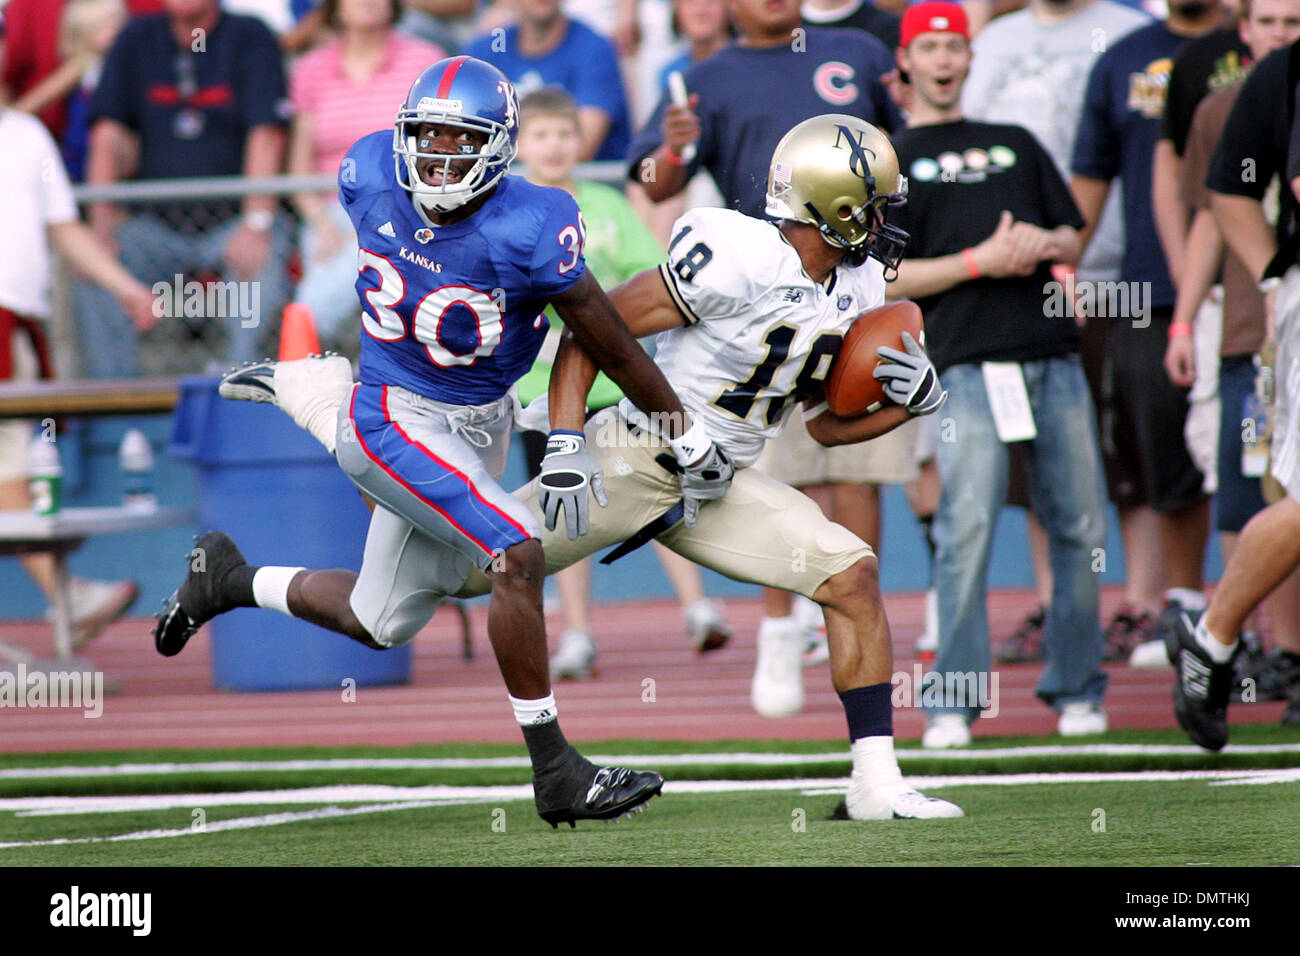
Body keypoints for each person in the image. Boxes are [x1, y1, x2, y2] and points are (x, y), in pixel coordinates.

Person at [224, 112, 966, 820]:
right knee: (441, 584)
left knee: (852, 575)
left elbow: (824, 429)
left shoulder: (861, 286)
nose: (884, 224)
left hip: (718, 483)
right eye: (872, 206)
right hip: (636, 454)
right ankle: (325, 408)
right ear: (830, 205)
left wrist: (909, 403)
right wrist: (570, 443)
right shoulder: (740, 255)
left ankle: (877, 782)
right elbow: (592, 334)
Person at [152, 56, 735, 827]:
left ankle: (227, 580)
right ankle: (557, 772)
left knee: (380, 621)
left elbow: (610, 341)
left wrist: (682, 431)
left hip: (481, 418)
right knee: (516, 552)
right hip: (393, 412)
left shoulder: (536, 223)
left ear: (498, 148)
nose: (436, 155)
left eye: (459, 140)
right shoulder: (366, 175)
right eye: (425, 136)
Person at [886, 2, 1109, 747]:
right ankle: (951, 700)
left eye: (957, 46)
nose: (946, 59)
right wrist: (980, 261)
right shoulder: (892, 158)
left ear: (971, 59)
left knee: (1079, 523)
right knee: (966, 528)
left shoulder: (1015, 142)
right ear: (908, 63)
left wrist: (1042, 243)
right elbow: (882, 278)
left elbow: (1073, 228)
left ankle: (1078, 687)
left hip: (1052, 355)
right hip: (967, 367)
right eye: (932, 47)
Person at [512, 87, 732, 679]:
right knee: (565, 511)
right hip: (546, 391)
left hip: (617, 382)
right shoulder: (513, 210)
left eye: (564, 134)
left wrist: (603, 315)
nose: (555, 146)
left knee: (655, 492)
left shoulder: (607, 205)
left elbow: (649, 270)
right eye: (541, 136)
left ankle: (697, 608)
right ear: (519, 145)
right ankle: (577, 632)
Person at [961, 0, 1151, 663]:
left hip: (1114, 276)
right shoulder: (994, 41)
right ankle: (1053, 607)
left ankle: (1143, 605)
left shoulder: (1129, 34)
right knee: (1038, 465)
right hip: (1011, 282)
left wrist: (1073, 251)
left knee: (1130, 453)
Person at [1070, 0, 1226, 654]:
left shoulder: (1254, 46)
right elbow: (1090, 178)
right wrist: (1062, 266)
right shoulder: (1123, 57)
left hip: (1255, 289)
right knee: (1167, 459)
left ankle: (1278, 640)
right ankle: (1188, 609)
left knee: (1262, 470)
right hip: (1151, 293)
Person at [1162, 0, 1300, 726]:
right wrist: (1189, 316)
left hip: (1277, 310)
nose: (1283, 32)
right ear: (1242, 29)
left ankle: (1216, 643)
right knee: (1262, 489)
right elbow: (1213, 211)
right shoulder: (1229, 102)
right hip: (1258, 326)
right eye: (1271, 19)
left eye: (1293, 19)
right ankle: (1248, 644)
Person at [0, 33, 155, 649]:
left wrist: (127, 288)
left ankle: (69, 598)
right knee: (11, 463)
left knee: (13, 461)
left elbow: (65, 231)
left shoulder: (27, 135)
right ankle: (68, 598)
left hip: (14, 327)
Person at [76, 0, 294, 377]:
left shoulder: (251, 35)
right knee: (94, 269)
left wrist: (256, 222)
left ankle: (243, 398)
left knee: (262, 266)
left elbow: (267, 135)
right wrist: (100, 226)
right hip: (154, 227)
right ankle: (114, 417)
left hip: (233, 221)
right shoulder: (135, 38)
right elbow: (107, 135)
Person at [627, 0, 900, 219]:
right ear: (730, 4)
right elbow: (653, 186)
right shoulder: (705, 79)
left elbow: (916, 136)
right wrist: (674, 151)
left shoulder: (859, 50)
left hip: (868, 240)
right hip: (765, 256)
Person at [288, 0, 445, 351]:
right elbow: (299, 166)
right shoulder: (311, 69)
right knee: (337, 270)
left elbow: (437, 150)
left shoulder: (424, 61)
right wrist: (321, 222)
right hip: (331, 212)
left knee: (323, 299)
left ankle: (300, 342)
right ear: (335, 8)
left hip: (407, 209)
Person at [462, 0, 632, 161]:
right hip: (498, 184)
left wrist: (491, 147)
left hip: (582, 185)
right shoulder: (486, 49)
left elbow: (582, 146)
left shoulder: (594, 48)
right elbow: (463, 135)